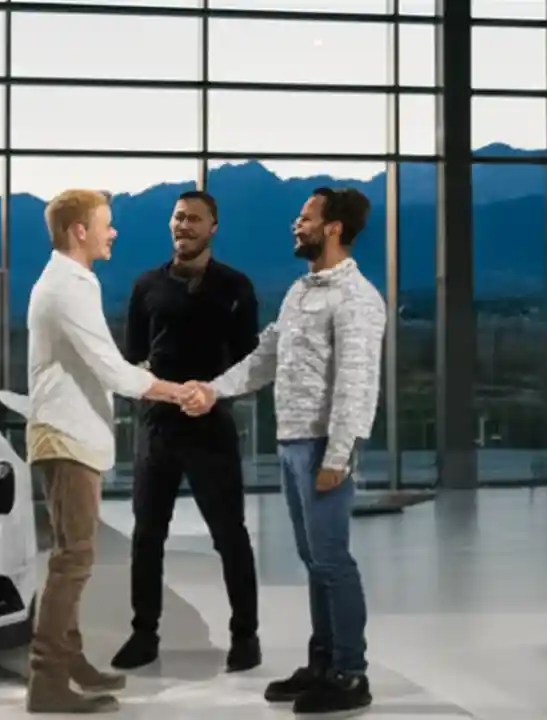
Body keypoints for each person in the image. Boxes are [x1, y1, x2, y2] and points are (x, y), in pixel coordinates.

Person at [181, 187, 386, 715]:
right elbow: (265, 355)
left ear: (334, 227)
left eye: (306, 217)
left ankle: (351, 673)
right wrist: (212, 389)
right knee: (314, 560)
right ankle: (322, 663)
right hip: (294, 443)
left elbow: (356, 386)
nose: (296, 225)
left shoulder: (357, 298)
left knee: (333, 561)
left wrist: (338, 457)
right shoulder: (301, 292)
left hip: (324, 448)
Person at [24, 188, 184, 714]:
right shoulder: (67, 288)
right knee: (74, 560)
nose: (112, 232)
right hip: (67, 436)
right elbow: (111, 369)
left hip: (69, 434)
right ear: (79, 231)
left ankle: (71, 663)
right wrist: (176, 391)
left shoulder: (71, 282)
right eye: (106, 224)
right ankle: (46, 683)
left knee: (71, 554)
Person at [110, 190, 262, 673]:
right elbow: (135, 358)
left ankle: (246, 637)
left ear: (213, 226)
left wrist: (211, 393)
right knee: (147, 535)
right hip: (157, 425)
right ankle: (143, 633)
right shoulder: (145, 286)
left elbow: (249, 363)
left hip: (211, 423)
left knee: (229, 534)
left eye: (195, 219)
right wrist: (159, 393)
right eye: (178, 218)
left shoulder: (235, 287)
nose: (184, 226)